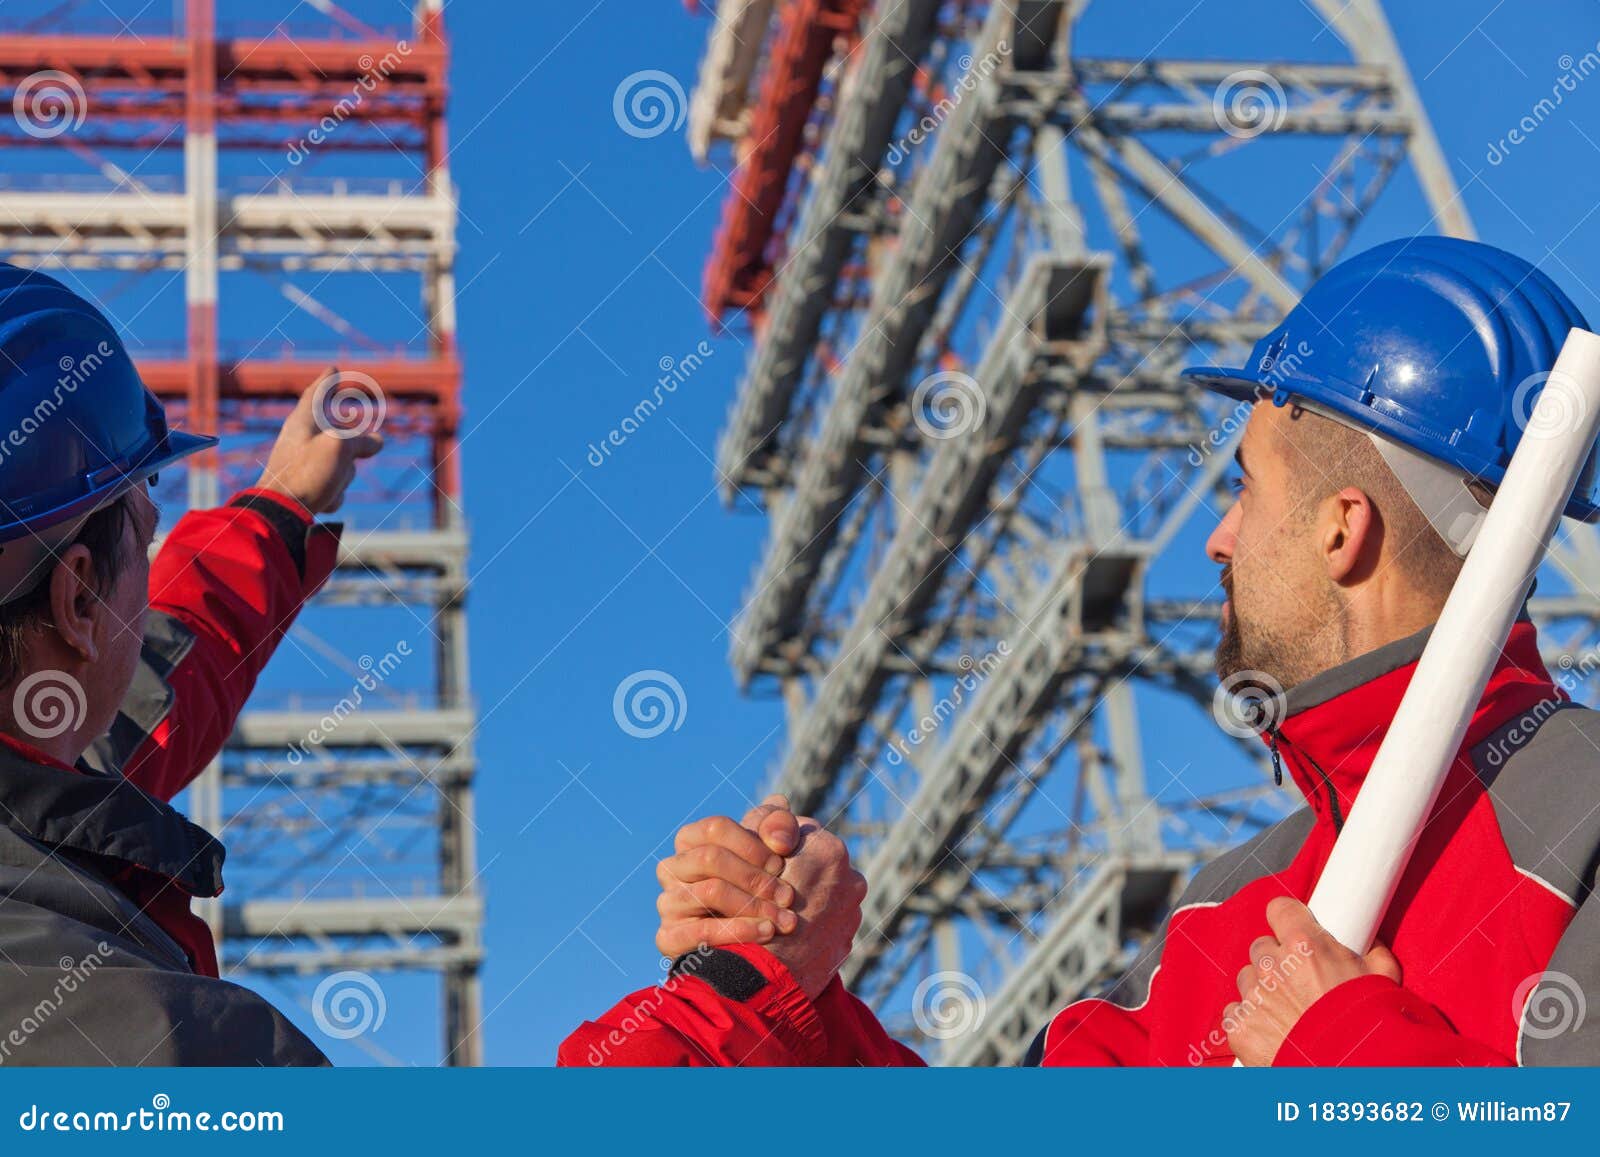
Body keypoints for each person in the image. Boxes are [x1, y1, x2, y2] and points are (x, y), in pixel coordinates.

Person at [560, 236, 1600, 1067]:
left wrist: (1349, 1053)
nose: (1217, 536)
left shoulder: (1580, 811)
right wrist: (790, 999)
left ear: (1342, 527)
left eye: (1245, 483)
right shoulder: (1220, 907)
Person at [0, 264, 380, 1065]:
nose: (154, 532)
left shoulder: (36, 781)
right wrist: (710, 994)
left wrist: (279, 509)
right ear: (75, 602)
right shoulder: (135, 1035)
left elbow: (146, 696)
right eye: (145, 520)